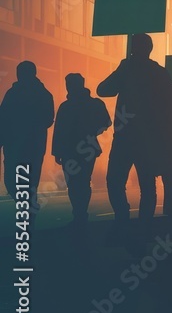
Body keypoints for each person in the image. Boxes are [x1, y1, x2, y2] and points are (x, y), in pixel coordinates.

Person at [97, 34, 172, 240]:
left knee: (115, 181)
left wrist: (123, 71)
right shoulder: (160, 73)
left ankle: (123, 221)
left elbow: (103, 89)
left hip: (126, 136)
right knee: (147, 185)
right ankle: (144, 226)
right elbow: (169, 108)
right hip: (148, 139)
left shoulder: (128, 69)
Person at [52, 73, 109, 224]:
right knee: (83, 181)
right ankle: (80, 212)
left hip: (69, 150)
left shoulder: (66, 106)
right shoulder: (94, 104)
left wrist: (57, 152)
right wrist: (93, 131)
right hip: (86, 148)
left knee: (75, 183)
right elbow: (106, 122)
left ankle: (79, 212)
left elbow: (59, 131)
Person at [0, 62, 54, 213]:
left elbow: (2, 119)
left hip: (19, 147)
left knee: (14, 181)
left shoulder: (14, 94)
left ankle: (27, 214)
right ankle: (28, 209)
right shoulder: (43, 94)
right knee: (23, 183)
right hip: (32, 147)